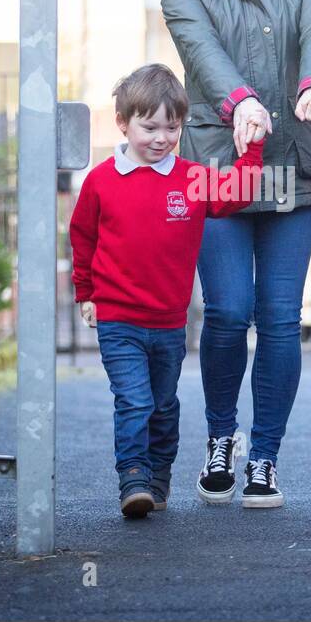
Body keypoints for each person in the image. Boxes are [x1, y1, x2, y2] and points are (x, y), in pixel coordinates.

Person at [159, 0, 311, 509]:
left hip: (294, 159)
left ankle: (264, 456)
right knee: (229, 312)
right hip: (220, 158)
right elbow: (199, 50)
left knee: (280, 317)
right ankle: (220, 440)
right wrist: (240, 106)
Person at [69, 64, 265, 518]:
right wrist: (86, 293)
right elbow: (83, 237)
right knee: (133, 399)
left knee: (162, 404)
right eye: (149, 126)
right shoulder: (100, 181)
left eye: (171, 128)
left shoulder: (191, 178)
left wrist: (252, 148)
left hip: (170, 323)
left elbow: (237, 193)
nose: (160, 137)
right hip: (118, 320)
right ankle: (132, 477)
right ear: (123, 122)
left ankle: (158, 475)